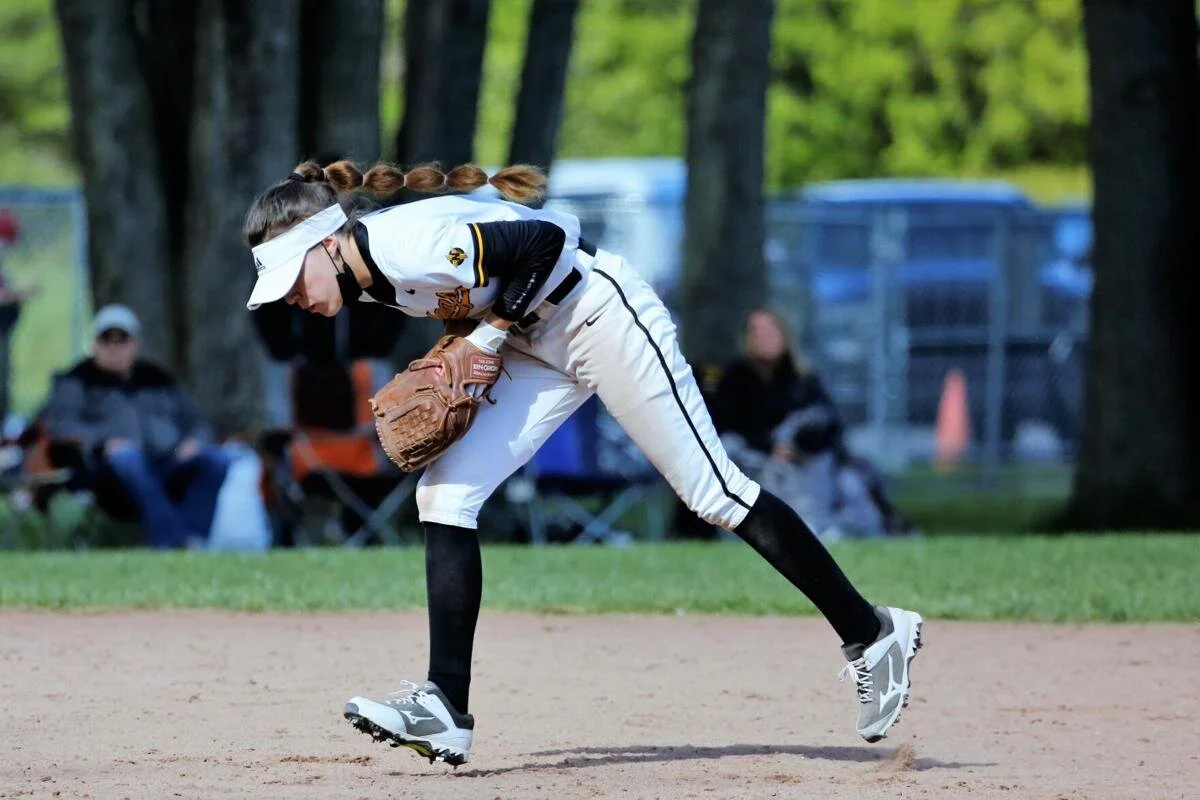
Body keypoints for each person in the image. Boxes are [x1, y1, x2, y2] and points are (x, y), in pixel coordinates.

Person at [242, 159, 925, 766]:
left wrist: (486, 336)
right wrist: (479, 339)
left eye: (291, 278)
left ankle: (872, 633)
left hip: (602, 315)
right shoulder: (362, 272)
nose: (291, 297)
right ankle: (444, 707)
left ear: (327, 242)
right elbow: (479, 285)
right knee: (444, 494)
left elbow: (547, 239)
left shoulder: (402, 244)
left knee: (713, 491)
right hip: (536, 345)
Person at [712, 308, 913, 540]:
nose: (765, 336)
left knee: (856, 476)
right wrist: (769, 447)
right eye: (757, 331)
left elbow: (828, 423)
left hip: (804, 459)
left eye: (771, 329)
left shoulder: (801, 377)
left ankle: (880, 526)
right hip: (755, 459)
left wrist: (799, 447)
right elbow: (726, 426)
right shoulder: (735, 378)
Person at [38, 304, 230, 548]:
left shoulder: (157, 379)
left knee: (217, 460)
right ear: (95, 344)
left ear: (135, 343)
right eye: (107, 339)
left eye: (122, 339)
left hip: (167, 462)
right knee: (127, 458)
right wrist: (102, 442)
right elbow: (61, 424)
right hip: (109, 477)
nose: (115, 347)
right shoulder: (76, 381)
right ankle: (172, 541)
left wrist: (194, 442)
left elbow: (197, 422)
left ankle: (195, 540)